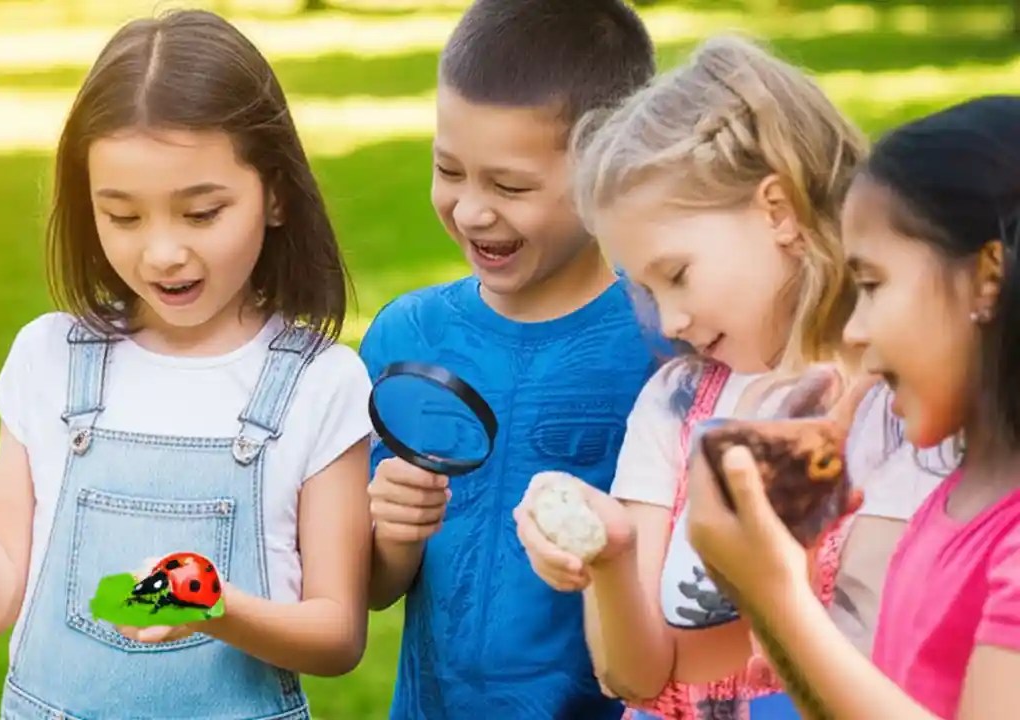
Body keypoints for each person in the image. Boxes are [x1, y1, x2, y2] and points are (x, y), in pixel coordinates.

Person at [0, 10, 373, 719]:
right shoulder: (50, 358)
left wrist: (213, 605)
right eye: (123, 216)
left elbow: (337, 636)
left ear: (274, 194)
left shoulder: (320, 383)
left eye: (201, 212)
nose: (161, 253)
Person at [514, 35, 955, 719]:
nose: (670, 318)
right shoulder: (676, 403)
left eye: (677, 275)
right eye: (646, 291)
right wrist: (612, 559)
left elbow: (876, 665)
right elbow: (632, 676)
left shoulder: (909, 410)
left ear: (777, 211)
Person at [358, 1, 660, 718]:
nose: (469, 211)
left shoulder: (660, 348)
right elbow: (371, 588)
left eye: (510, 186)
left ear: (609, 167)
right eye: (448, 170)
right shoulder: (408, 337)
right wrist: (394, 537)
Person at [687, 94, 1020, 720]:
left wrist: (774, 599)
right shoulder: (955, 498)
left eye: (871, 285)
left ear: (987, 278)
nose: (855, 331)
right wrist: (783, 579)